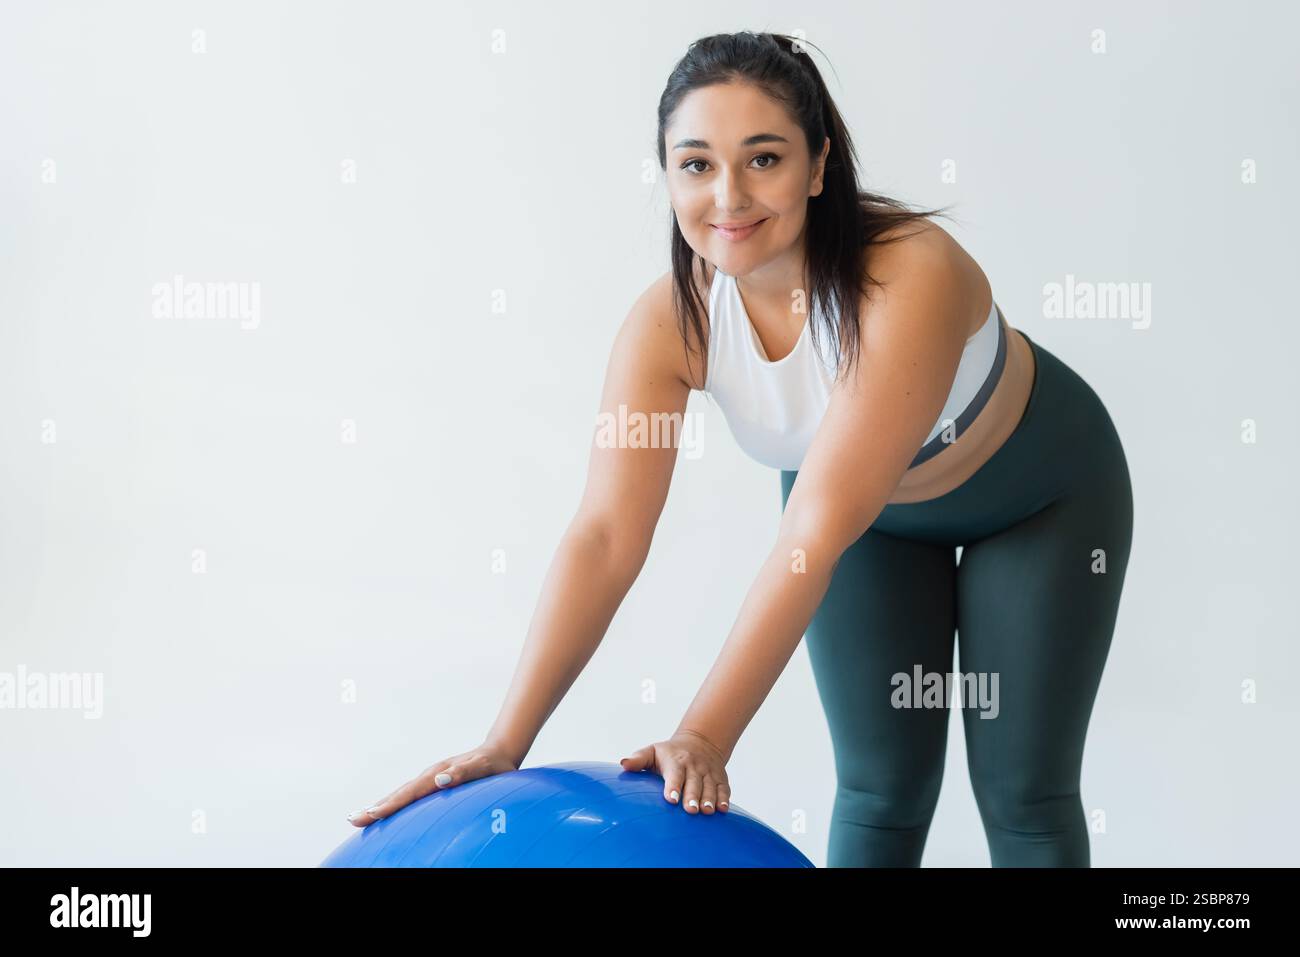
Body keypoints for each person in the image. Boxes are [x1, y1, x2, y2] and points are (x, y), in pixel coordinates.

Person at [346, 31, 1134, 868]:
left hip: (1037, 501)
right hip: (866, 523)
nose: (728, 195)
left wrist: (702, 733)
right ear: (667, 174)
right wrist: (506, 739)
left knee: (1023, 794)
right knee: (879, 792)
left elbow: (811, 532)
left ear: (819, 165)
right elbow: (606, 536)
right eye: (696, 164)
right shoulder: (667, 324)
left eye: (764, 159)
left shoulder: (909, 271)